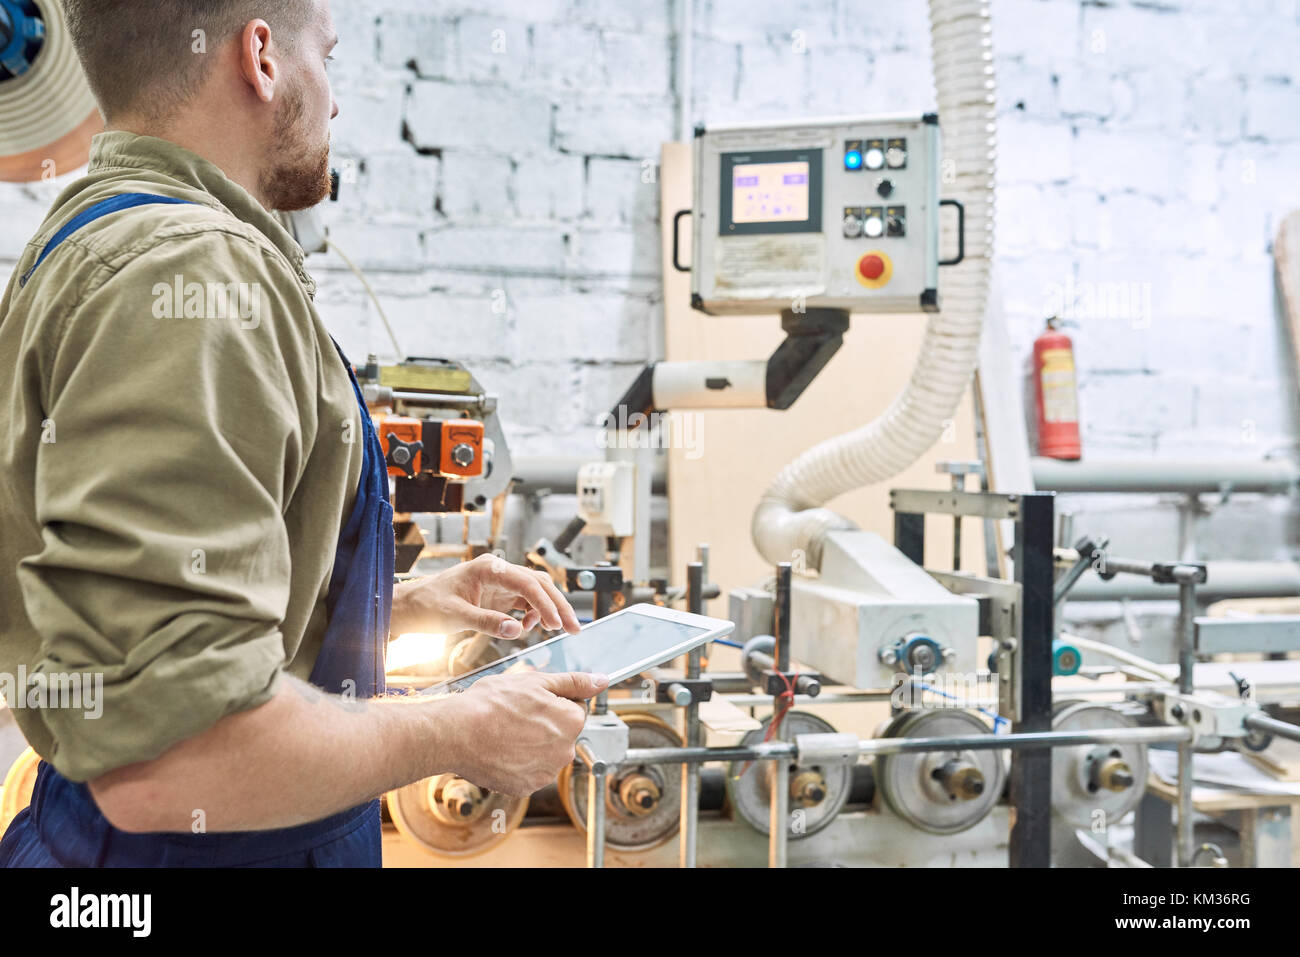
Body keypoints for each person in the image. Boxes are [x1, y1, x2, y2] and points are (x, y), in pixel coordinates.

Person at [0, 0, 606, 867]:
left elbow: (159, 626)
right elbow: (176, 764)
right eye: (327, 53)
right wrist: (460, 729)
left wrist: (381, 613)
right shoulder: (190, 274)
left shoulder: (92, 233)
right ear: (260, 56)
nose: (336, 98)